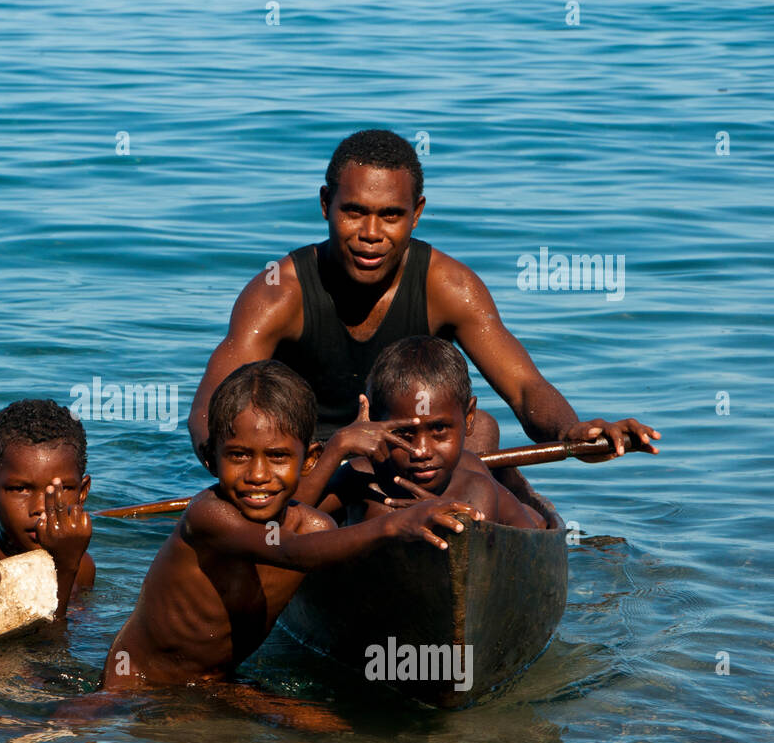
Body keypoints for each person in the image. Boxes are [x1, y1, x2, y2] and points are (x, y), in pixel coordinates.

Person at [187, 128, 660, 482]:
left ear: (416, 213)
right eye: (354, 212)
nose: (371, 234)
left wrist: (570, 431)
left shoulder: (449, 286)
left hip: (415, 455)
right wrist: (246, 472)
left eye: (391, 215)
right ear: (326, 204)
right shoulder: (278, 292)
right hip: (316, 463)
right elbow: (208, 412)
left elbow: (523, 387)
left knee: (481, 433)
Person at [102, 360, 479, 691]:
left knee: (324, 730)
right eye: (238, 456)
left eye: (278, 456)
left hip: (216, 684)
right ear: (211, 459)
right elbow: (290, 551)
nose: (258, 475)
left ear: (310, 459)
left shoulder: (315, 526)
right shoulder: (209, 515)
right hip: (135, 684)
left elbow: (333, 553)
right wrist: (394, 524)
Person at [308, 336, 545, 529]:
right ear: (373, 423)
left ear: (468, 418)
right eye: (403, 433)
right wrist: (338, 446)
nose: (421, 451)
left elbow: (529, 541)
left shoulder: (476, 486)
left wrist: (450, 517)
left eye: (439, 429)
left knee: (534, 518)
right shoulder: (361, 479)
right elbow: (291, 517)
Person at [0, 399, 94, 617]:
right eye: (21, 489)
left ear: (82, 493)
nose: (41, 508)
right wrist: (67, 569)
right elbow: (50, 641)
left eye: (63, 488)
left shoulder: (83, 564)